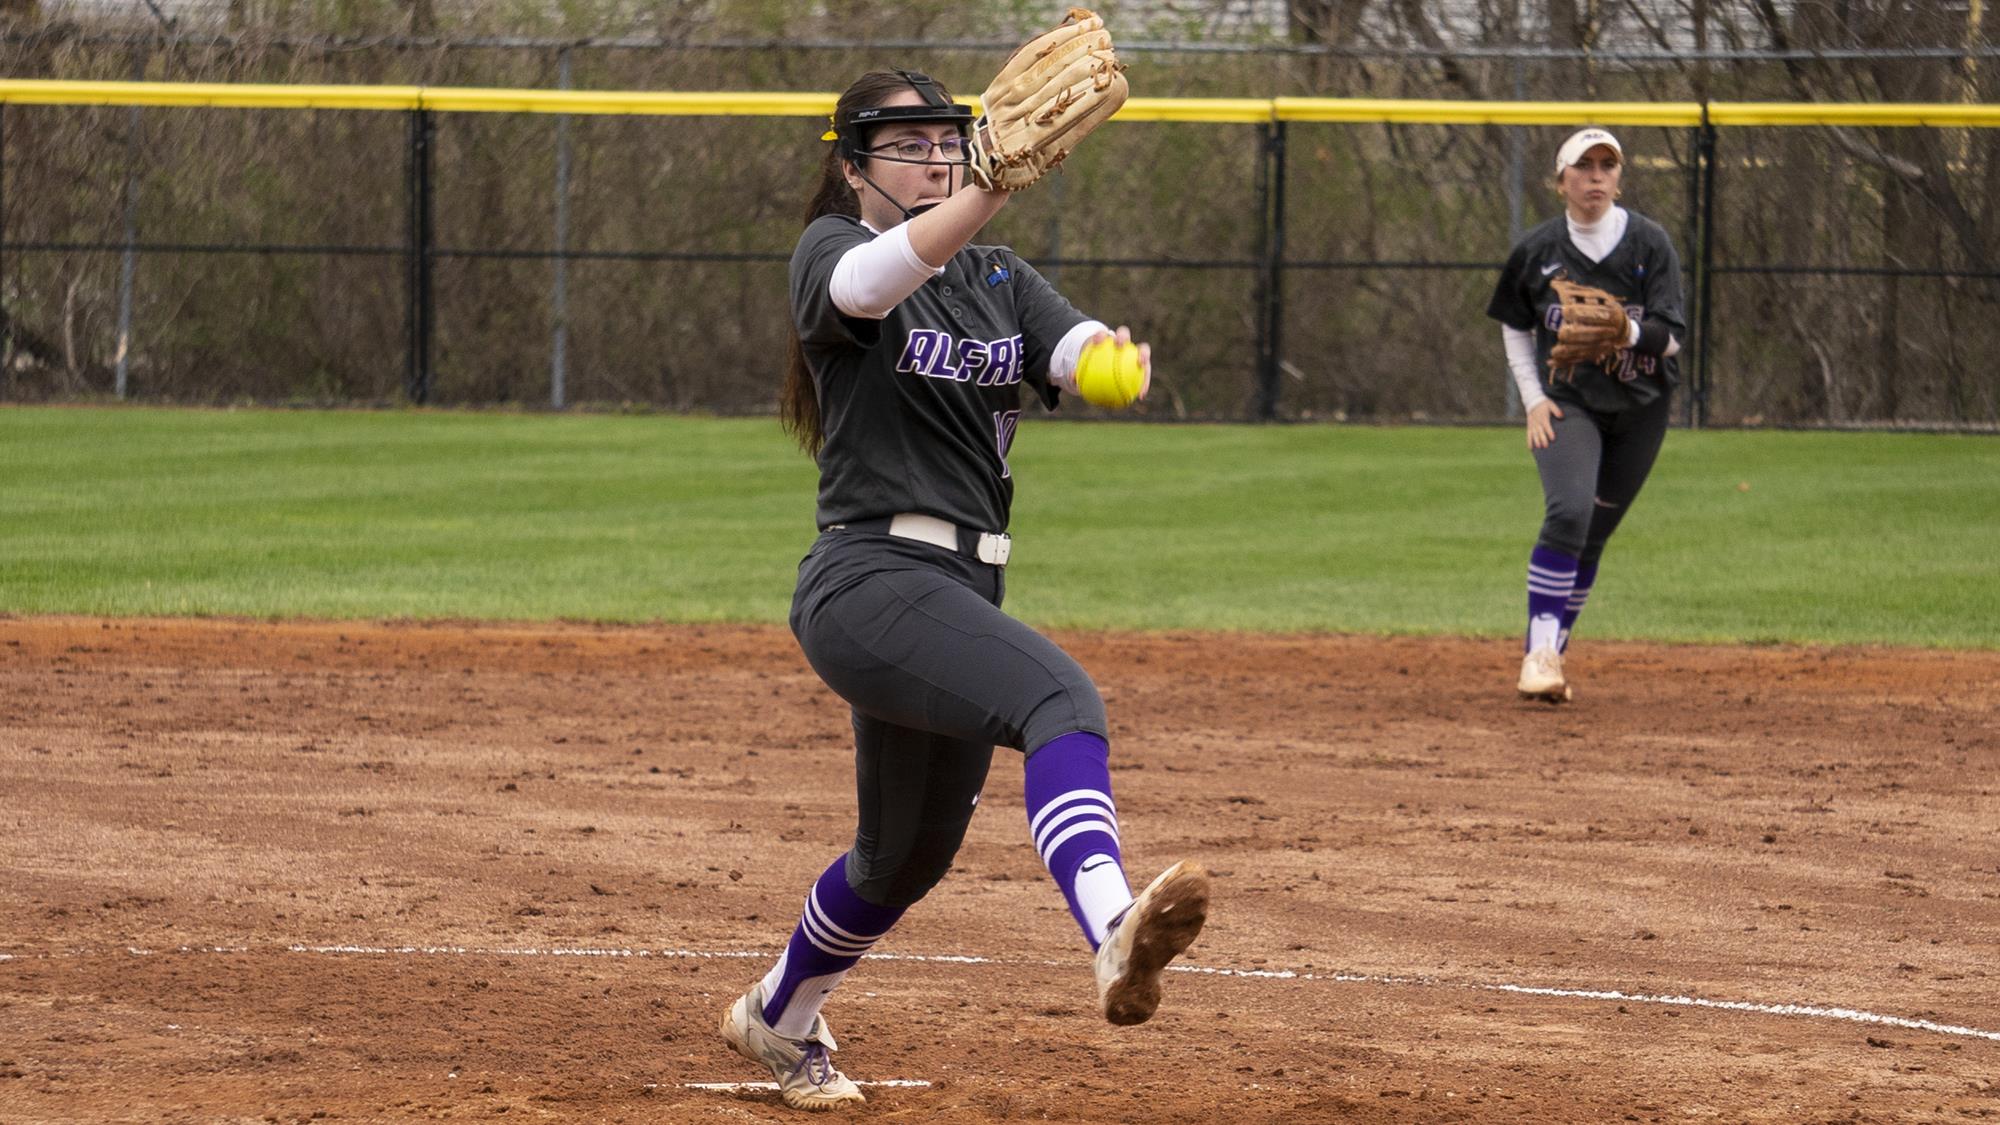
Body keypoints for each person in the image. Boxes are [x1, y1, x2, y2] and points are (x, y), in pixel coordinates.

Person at [718, 68, 1211, 1111]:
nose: (935, 154)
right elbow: (864, 292)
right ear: (852, 167)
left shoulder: (994, 274)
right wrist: (983, 186)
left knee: (903, 855)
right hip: (866, 577)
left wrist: (1107, 360)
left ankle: (778, 1014)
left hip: (959, 589)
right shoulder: (834, 251)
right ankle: (1113, 928)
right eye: (903, 143)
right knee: (1058, 702)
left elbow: (1068, 349)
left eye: (947, 138)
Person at [1485, 127, 1686, 702]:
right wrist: (1533, 399)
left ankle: (1549, 658)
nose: (1596, 176)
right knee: (1569, 513)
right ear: (1561, 181)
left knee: (1592, 536)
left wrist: (1627, 329)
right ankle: (1540, 653)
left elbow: (1671, 340)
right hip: (1568, 402)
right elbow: (1515, 326)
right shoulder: (1537, 251)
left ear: (1619, 179)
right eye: (1584, 166)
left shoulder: (1649, 245)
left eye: (1607, 165)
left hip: (1641, 408)